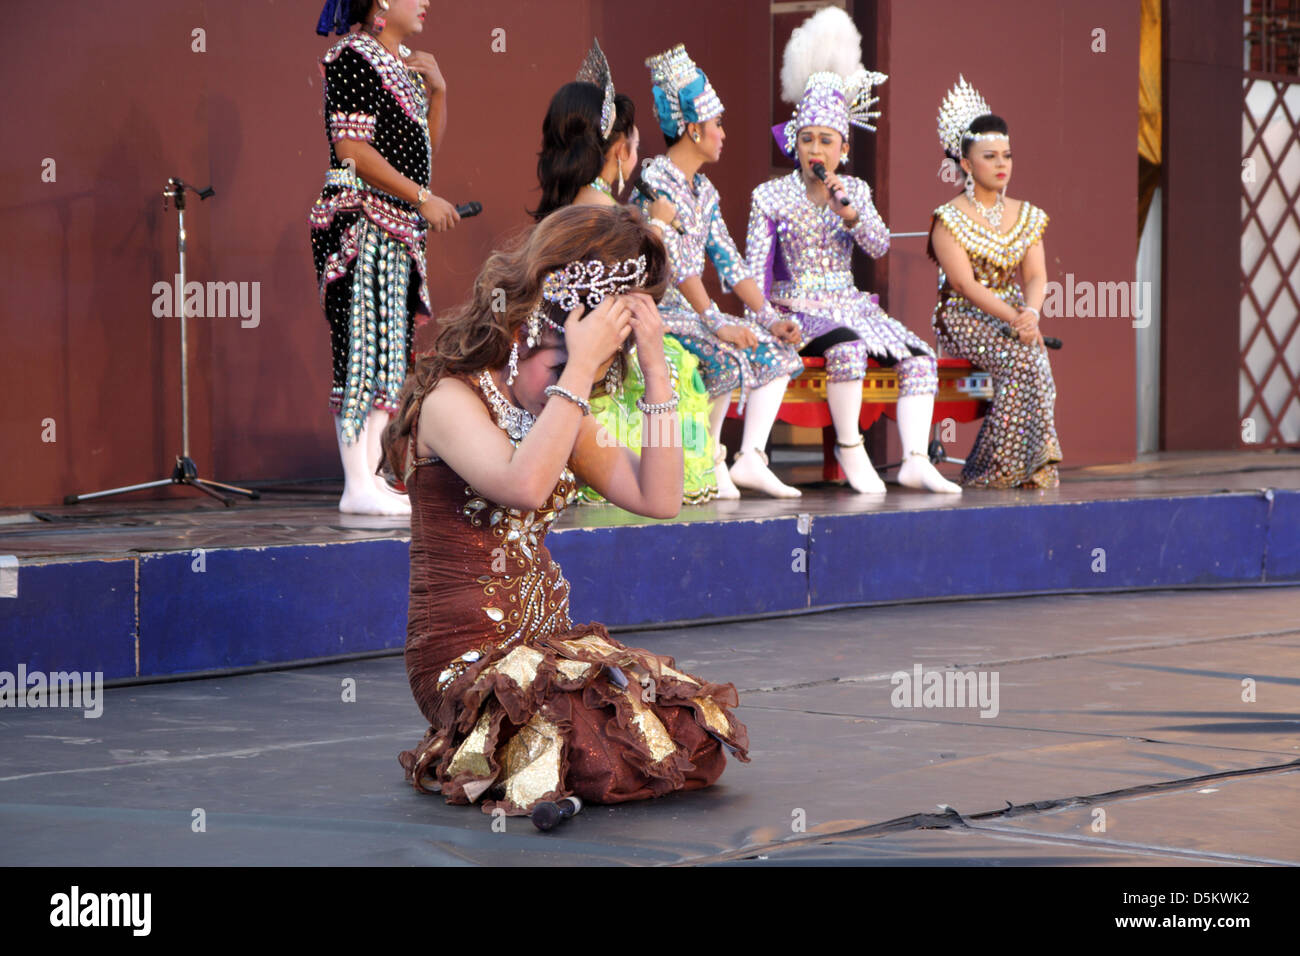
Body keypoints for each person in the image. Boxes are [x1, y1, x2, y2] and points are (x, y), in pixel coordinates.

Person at [380, 204, 749, 816]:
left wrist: (657, 371)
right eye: (558, 363)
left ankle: (553, 778)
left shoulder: (561, 410)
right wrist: (575, 371)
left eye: (595, 368)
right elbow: (522, 485)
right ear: (524, 329)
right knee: (586, 737)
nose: (578, 382)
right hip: (464, 661)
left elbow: (658, 500)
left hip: (547, 648)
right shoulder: (452, 399)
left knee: (683, 730)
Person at [748, 6, 960, 495]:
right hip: (795, 306)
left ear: (843, 147)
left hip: (848, 303)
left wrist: (852, 215)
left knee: (920, 357)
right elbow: (754, 268)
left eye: (825, 140)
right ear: (794, 146)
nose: (815, 149)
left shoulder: (855, 191)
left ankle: (913, 459)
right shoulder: (770, 196)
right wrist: (761, 317)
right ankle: (850, 447)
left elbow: (880, 245)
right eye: (806, 140)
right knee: (847, 350)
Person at [531, 40, 718, 504]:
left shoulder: (555, 219)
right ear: (618, 152)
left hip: (538, 375)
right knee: (679, 364)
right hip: (593, 374)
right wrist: (656, 224)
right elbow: (638, 297)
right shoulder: (617, 222)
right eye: (633, 145)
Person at [636, 44, 806, 499]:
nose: (723, 134)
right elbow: (673, 267)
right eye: (717, 125)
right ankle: (707, 460)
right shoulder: (655, 182)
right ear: (693, 129)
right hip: (659, 310)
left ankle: (750, 457)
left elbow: (728, 260)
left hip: (695, 310)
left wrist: (768, 318)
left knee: (776, 352)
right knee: (727, 354)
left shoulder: (704, 190)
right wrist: (717, 322)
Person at [311, 0, 459, 515]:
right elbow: (351, 149)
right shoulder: (353, 56)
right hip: (360, 222)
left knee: (389, 358)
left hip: (397, 228)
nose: (426, 4)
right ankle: (356, 483)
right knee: (360, 353)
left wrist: (438, 92)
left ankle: (370, 479)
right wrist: (421, 199)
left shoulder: (407, 64)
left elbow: (423, 153)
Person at [928, 76, 1061, 488]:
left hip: (1015, 313)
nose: (1002, 164)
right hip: (964, 316)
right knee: (1025, 358)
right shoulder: (947, 218)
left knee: (1033, 359)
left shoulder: (1026, 214)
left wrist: (1031, 313)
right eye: (990, 156)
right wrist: (1020, 320)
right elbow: (965, 285)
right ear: (966, 164)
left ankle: (1012, 467)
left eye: (1007, 155)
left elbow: (1036, 274)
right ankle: (999, 469)